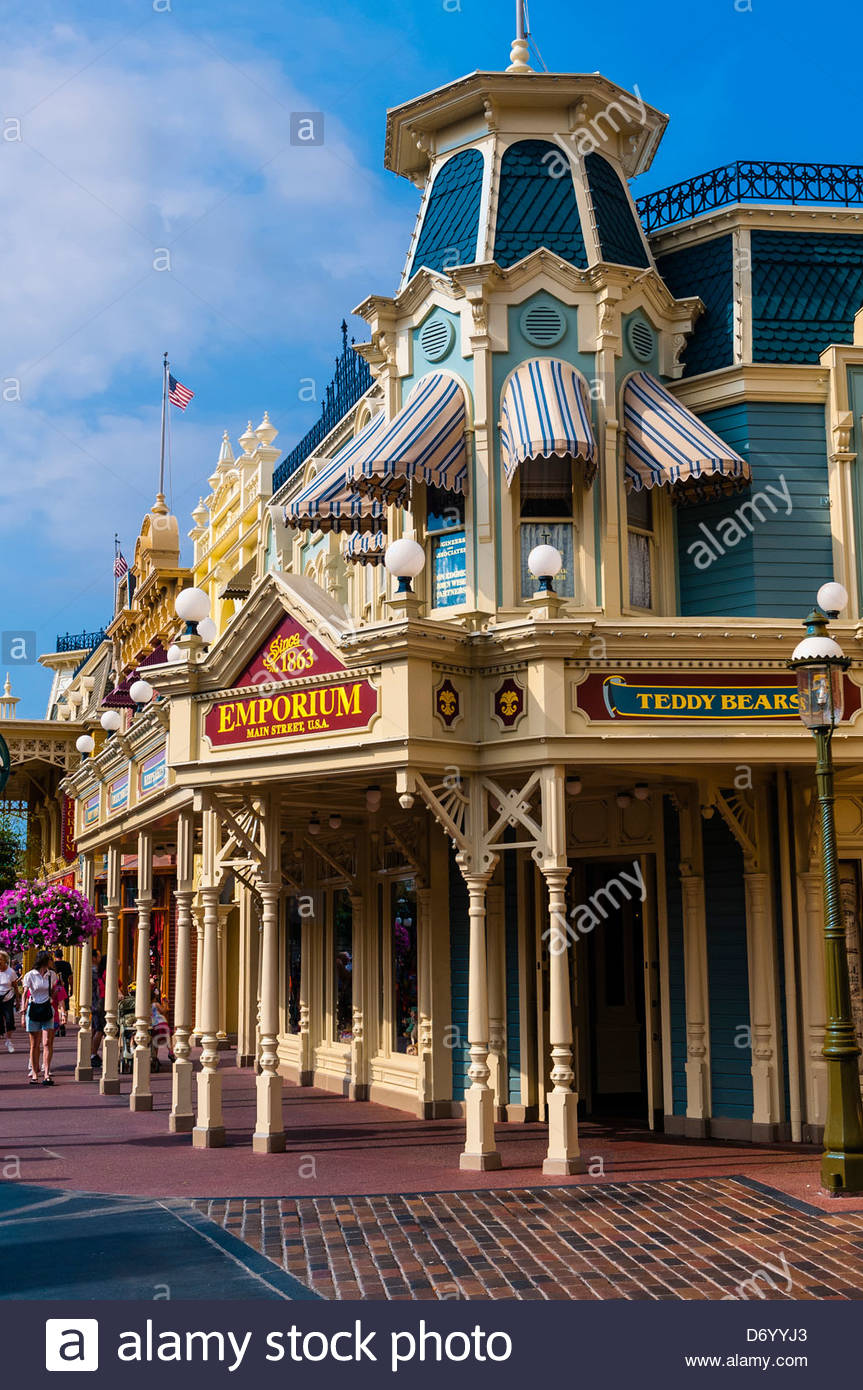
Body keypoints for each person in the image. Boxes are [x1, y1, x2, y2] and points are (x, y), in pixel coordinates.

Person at [20, 951, 58, 1085]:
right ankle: (35, 1073)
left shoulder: (51, 975)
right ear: (44, 960)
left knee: (47, 1042)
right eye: (49, 959)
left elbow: (53, 990)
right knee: (34, 1043)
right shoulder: (30, 975)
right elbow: (25, 993)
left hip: (47, 1009)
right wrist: (23, 1012)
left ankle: (47, 1073)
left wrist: (53, 995)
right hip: (34, 1009)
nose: (51, 962)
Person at [0, 951, 19, 1053]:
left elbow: (15, 987)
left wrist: (18, 1000)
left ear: (5, 960)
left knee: (9, 1020)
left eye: (1, 960)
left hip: (8, 998)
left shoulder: (10, 972)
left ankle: (8, 1040)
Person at [90, 953, 106, 1070]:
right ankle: (93, 1054)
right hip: (99, 1004)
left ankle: (92, 1053)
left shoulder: (98, 972)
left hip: (96, 1004)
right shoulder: (98, 973)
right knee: (99, 1029)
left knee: (96, 1029)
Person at [53, 951, 73, 1036]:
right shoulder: (67, 964)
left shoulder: (53, 965)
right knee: (65, 1006)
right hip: (64, 988)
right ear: (62, 956)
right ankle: (63, 1024)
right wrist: (71, 988)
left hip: (55, 988)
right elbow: (70, 977)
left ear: (55, 956)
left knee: (57, 1006)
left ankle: (57, 1025)